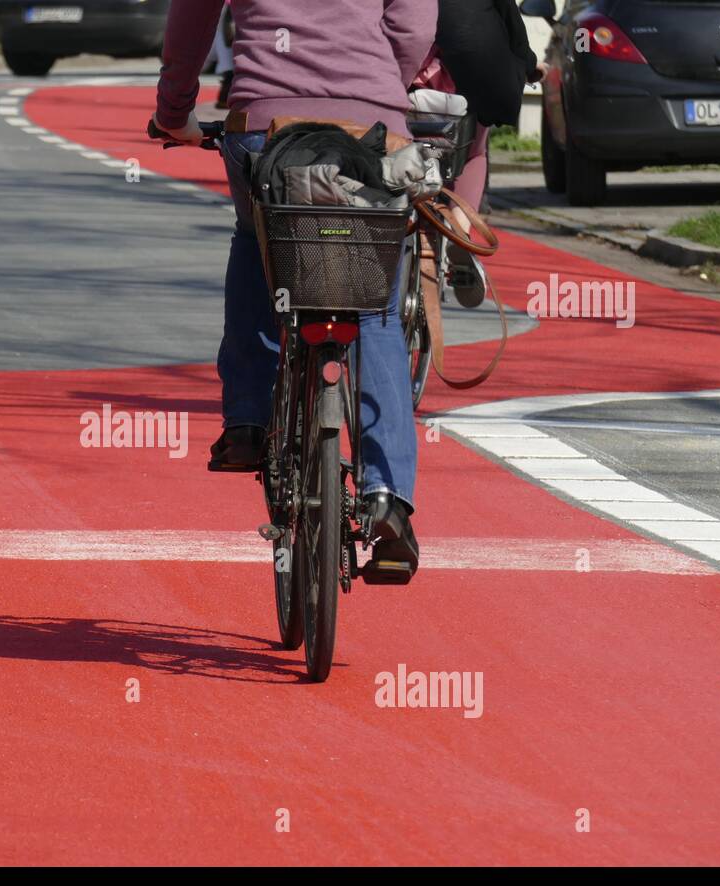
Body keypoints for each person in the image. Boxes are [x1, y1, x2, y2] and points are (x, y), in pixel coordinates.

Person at [152, 0, 437, 576]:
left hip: (265, 125)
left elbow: (192, 20)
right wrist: (376, 88)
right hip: (371, 130)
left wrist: (174, 111)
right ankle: (386, 498)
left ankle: (249, 420)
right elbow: (413, 24)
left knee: (257, 244)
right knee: (377, 310)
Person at [419, 0, 543, 307]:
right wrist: (529, 65)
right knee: (473, 151)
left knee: (398, 143)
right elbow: (511, 24)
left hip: (410, 76)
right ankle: (460, 230)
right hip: (464, 81)